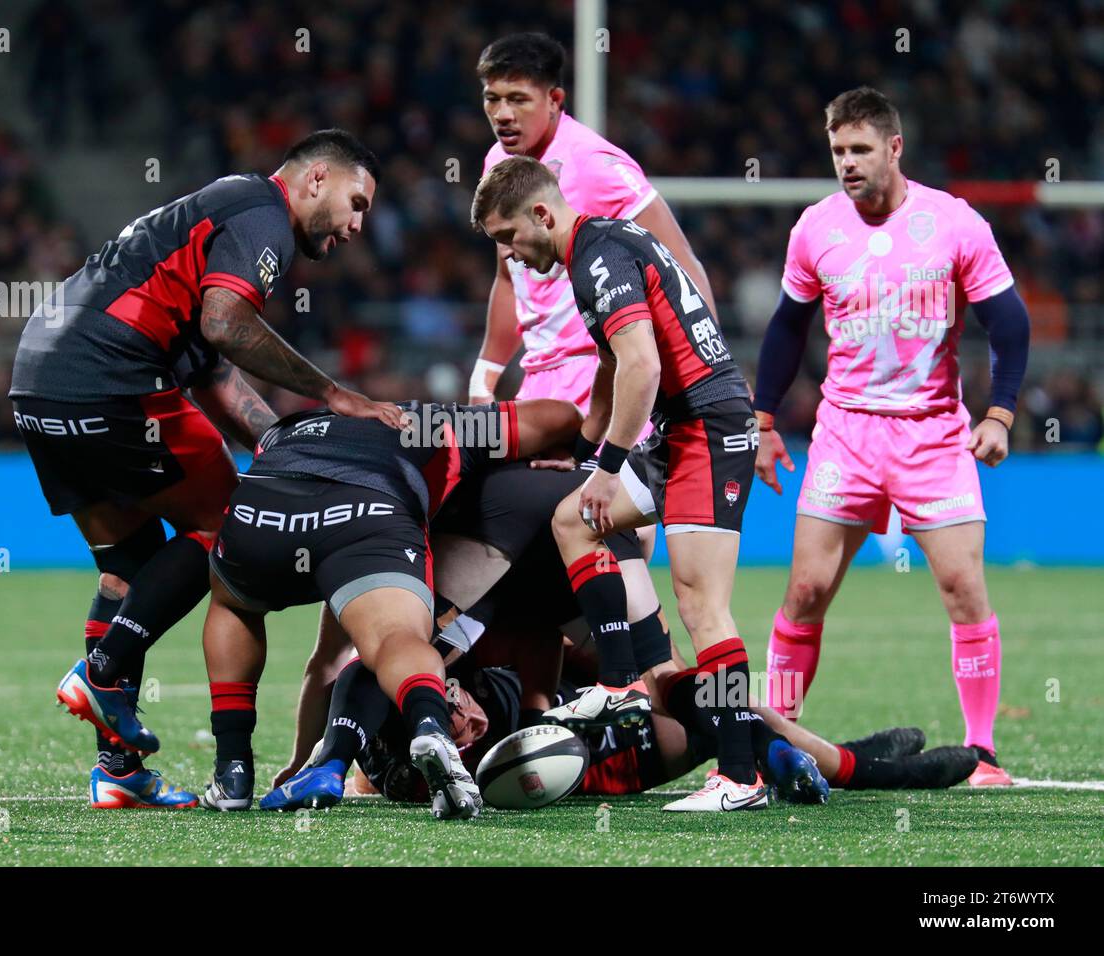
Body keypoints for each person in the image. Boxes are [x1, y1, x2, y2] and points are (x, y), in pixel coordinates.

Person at [11, 129, 403, 808]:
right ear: (315, 180)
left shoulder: (217, 214)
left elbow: (212, 367)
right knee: (230, 530)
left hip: (41, 380)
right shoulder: (263, 217)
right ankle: (103, 672)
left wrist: (281, 437)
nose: (357, 226)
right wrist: (336, 396)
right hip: (111, 374)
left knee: (128, 568)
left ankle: (119, 770)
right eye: (356, 203)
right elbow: (227, 323)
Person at [471, 155, 786, 812]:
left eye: (507, 237)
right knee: (572, 519)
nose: (509, 255)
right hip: (683, 431)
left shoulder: (599, 258)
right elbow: (614, 370)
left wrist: (608, 467)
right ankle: (619, 683)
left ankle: (738, 777)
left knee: (703, 608)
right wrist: (587, 457)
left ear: (541, 213)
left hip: (706, 432)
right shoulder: (605, 246)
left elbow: (641, 367)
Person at [751, 88, 1030, 787]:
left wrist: (999, 413)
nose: (847, 163)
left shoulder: (954, 223)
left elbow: (1010, 322)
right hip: (845, 433)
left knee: (964, 584)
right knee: (807, 589)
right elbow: (789, 327)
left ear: (894, 147)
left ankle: (983, 752)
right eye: (838, 150)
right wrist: (761, 420)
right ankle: (773, 741)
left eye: (860, 149)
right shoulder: (817, 228)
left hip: (934, 434)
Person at [199, 397, 582, 820]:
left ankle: (233, 771)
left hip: (264, 513)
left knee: (233, 605)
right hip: (372, 515)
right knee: (398, 638)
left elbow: (326, 663)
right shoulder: (426, 423)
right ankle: (429, 727)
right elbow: (561, 416)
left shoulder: (284, 434)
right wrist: (567, 448)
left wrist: (298, 761)